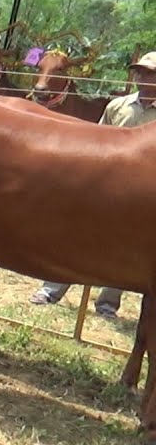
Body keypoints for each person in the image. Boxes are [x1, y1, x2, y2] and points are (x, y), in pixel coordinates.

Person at [27, 51, 156, 317]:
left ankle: (107, 303)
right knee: (77, 234)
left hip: (140, 193)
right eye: (141, 72)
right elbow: (99, 138)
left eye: (151, 73)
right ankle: (51, 289)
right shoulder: (117, 106)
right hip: (105, 181)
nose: (144, 78)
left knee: (123, 245)